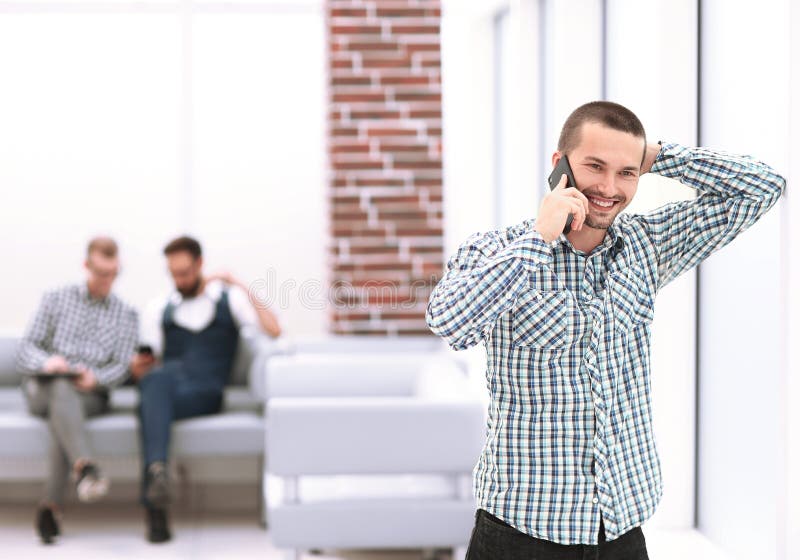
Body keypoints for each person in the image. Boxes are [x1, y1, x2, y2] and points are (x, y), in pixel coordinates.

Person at [426, 101, 785, 559]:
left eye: (626, 173)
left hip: (621, 529)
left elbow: (761, 188)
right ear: (560, 167)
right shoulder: (497, 250)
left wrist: (655, 155)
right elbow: (449, 322)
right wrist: (539, 240)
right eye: (595, 166)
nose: (609, 187)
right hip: (520, 532)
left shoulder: (647, 245)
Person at [130, 235, 281, 543]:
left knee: (150, 403)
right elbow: (150, 360)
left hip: (204, 392)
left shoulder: (229, 299)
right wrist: (138, 367)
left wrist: (238, 283)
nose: (179, 279)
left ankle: (155, 508)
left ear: (200, 264)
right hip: (168, 387)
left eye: (184, 272)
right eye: (173, 273)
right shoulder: (161, 307)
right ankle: (159, 475)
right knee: (153, 383)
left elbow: (274, 329)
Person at [16, 236, 139, 545]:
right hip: (44, 387)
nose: (107, 280)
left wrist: (95, 379)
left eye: (114, 273)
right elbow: (25, 349)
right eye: (101, 273)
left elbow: (123, 366)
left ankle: (55, 501)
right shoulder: (55, 299)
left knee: (65, 409)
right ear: (87, 266)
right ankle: (83, 467)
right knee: (60, 387)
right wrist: (49, 362)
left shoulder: (126, 314)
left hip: (90, 394)